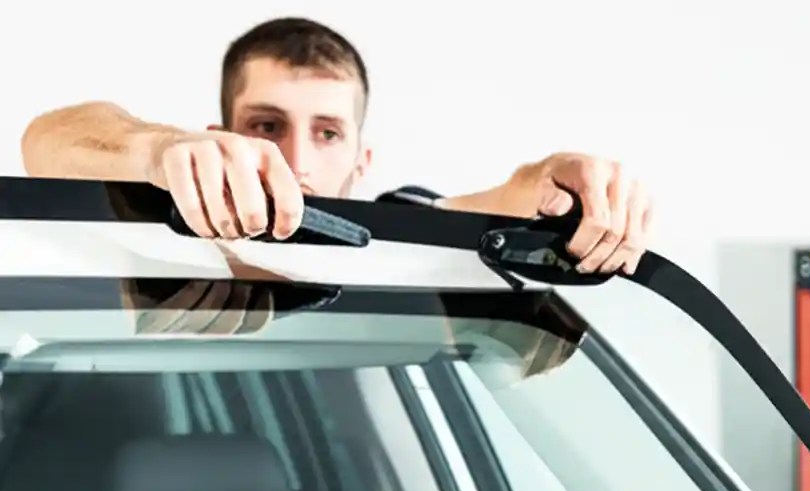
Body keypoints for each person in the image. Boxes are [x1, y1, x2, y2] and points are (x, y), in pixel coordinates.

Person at [19, 16, 652, 276]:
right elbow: (49, 138)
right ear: (220, 139)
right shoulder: (149, 246)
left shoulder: (392, 256)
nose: (295, 160)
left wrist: (566, 179)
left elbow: (509, 205)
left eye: (327, 133)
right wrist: (156, 150)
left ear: (361, 161)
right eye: (266, 127)